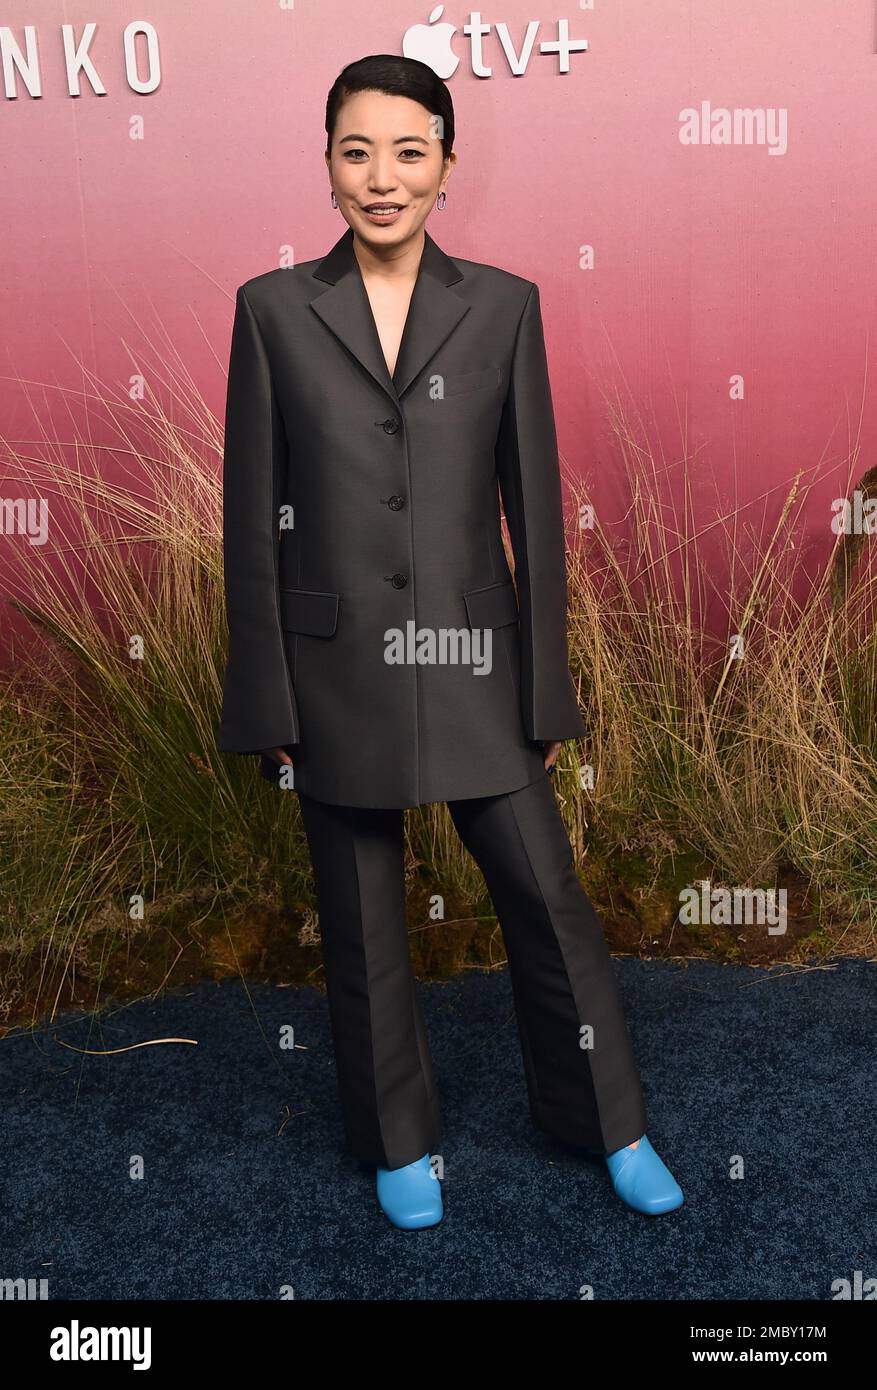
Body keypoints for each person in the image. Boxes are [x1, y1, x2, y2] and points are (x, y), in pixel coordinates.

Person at [217, 53, 683, 1229]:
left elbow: (533, 506)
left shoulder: (507, 303)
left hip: (475, 665)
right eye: (355, 151)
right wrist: (267, 705)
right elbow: (250, 524)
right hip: (333, 678)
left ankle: (608, 1121)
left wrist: (544, 685)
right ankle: (398, 1143)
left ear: (446, 165)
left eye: (408, 151)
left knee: (548, 900)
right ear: (326, 168)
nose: (382, 177)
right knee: (365, 927)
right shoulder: (270, 312)